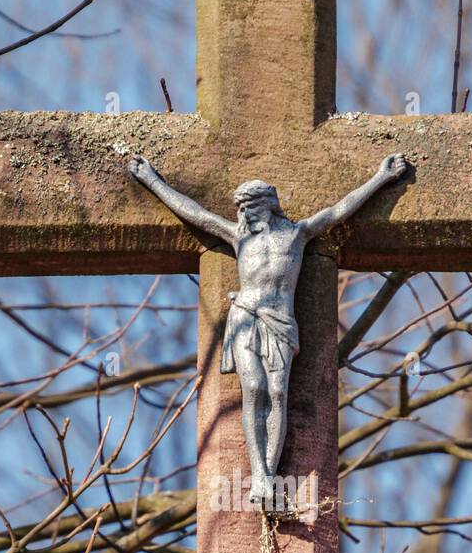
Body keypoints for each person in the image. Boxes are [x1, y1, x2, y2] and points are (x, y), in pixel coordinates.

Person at [129, 152, 408, 509]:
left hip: (280, 323)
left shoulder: (297, 235)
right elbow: (196, 214)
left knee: (277, 392)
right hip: (244, 316)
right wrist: (153, 182)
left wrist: (380, 179)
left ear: (270, 205)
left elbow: (339, 211)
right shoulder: (238, 237)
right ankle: (260, 475)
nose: (244, 215)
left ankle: (269, 473)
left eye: (250, 207)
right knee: (255, 388)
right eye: (241, 209)